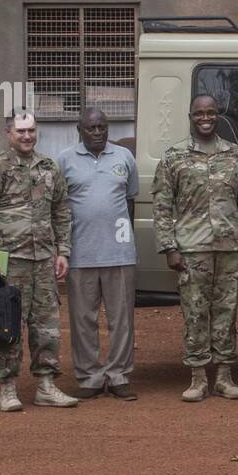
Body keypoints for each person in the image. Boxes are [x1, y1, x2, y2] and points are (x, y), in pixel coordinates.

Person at [0, 111, 78, 411]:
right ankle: (7, 387)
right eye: (21, 131)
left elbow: (61, 211)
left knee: (47, 325)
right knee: (9, 324)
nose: (27, 136)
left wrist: (63, 251)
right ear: (9, 134)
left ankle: (45, 384)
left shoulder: (49, 167)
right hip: (8, 261)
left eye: (31, 130)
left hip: (43, 258)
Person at [153, 94, 238, 401]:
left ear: (218, 115)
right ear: (191, 116)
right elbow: (162, 205)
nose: (205, 118)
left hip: (229, 247)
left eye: (210, 113)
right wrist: (169, 247)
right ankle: (197, 377)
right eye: (199, 113)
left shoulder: (235, 155)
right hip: (192, 248)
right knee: (195, 313)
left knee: (226, 312)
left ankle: (223, 376)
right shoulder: (174, 156)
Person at [57, 108, 140, 400]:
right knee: (83, 320)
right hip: (80, 253)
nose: (97, 132)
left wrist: (120, 238)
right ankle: (89, 377)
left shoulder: (124, 157)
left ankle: (118, 375)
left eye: (102, 127)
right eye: (91, 128)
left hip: (119, 254)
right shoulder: (64, 160)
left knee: (122, 319)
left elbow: (129, 200)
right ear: (80, 130)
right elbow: (59, 206)